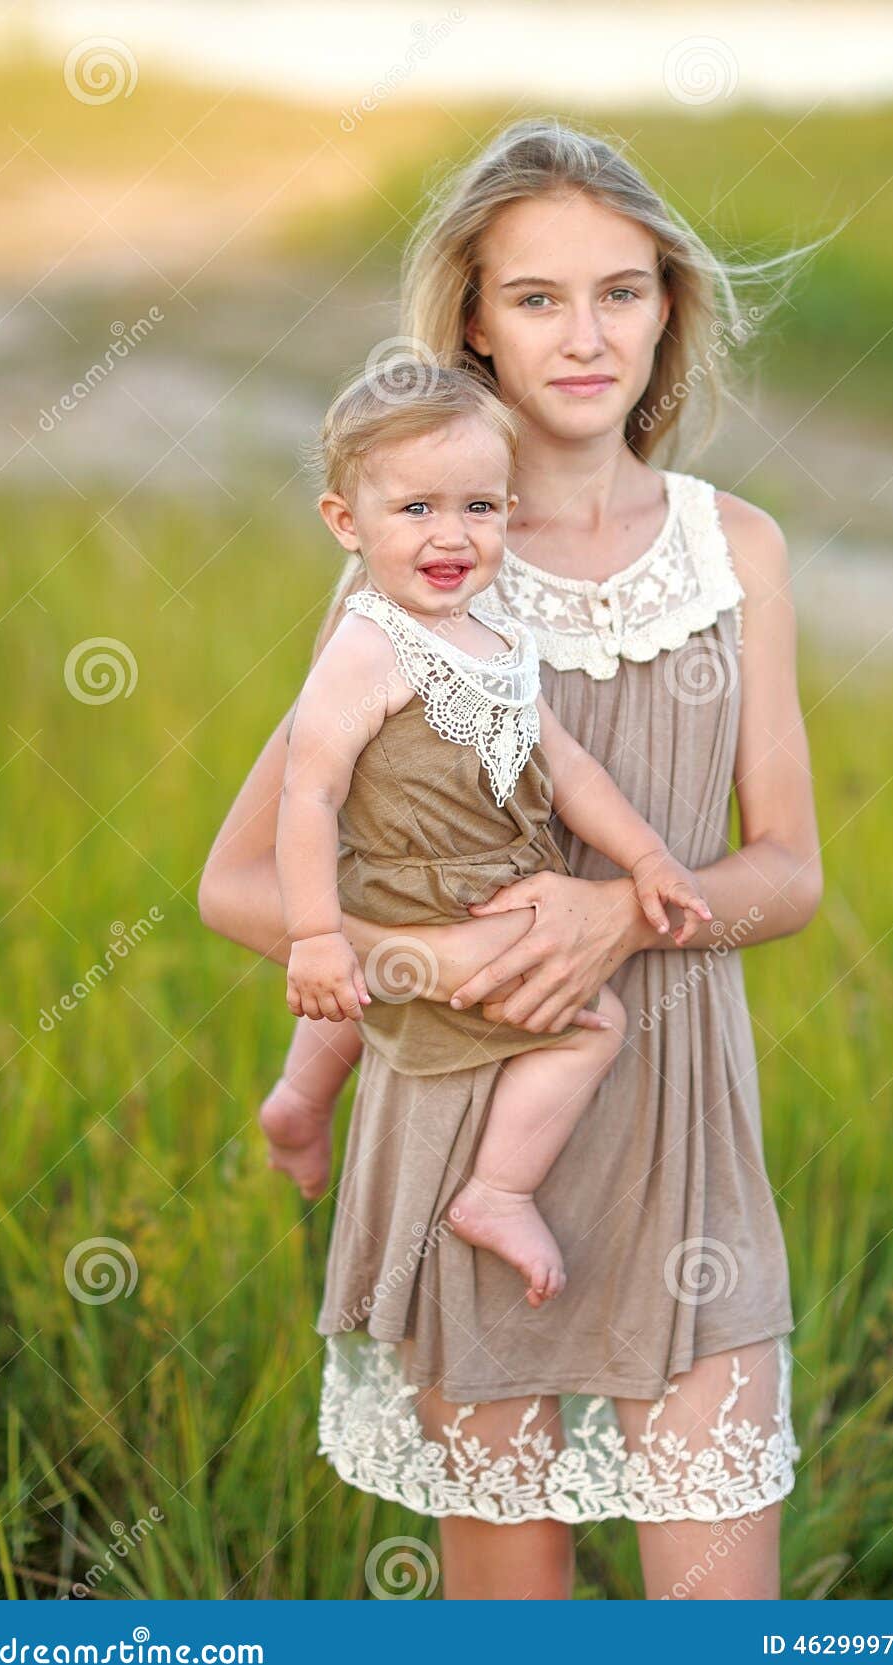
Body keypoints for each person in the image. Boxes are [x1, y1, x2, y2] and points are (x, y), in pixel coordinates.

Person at [198, 116, 823, 1600]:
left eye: (620, 289)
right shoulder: (421, 564)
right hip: (473, 1124)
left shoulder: (735, 548)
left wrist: (620, 915)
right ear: (472, 323)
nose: (584, 333)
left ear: (667, 303)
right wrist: (442, 960)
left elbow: (785, 869)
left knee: (715, 1625)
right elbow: (240, 882)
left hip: (679, 1121)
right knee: (512, 1624)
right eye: (535, 297)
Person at [274, 357, 712, 1307]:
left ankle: (297, 1099)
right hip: (416, 889)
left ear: (508, 513)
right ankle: (497, 1192)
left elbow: (569, 773)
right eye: (416, 510)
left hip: (480, 877)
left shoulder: (498, 642)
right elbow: (305, 796)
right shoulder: (365, 648)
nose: (452, 534)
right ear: (346, 524)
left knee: (379, 996)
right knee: (592, 1024)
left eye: (478, 507)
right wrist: (313, 933)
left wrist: (644, 857)